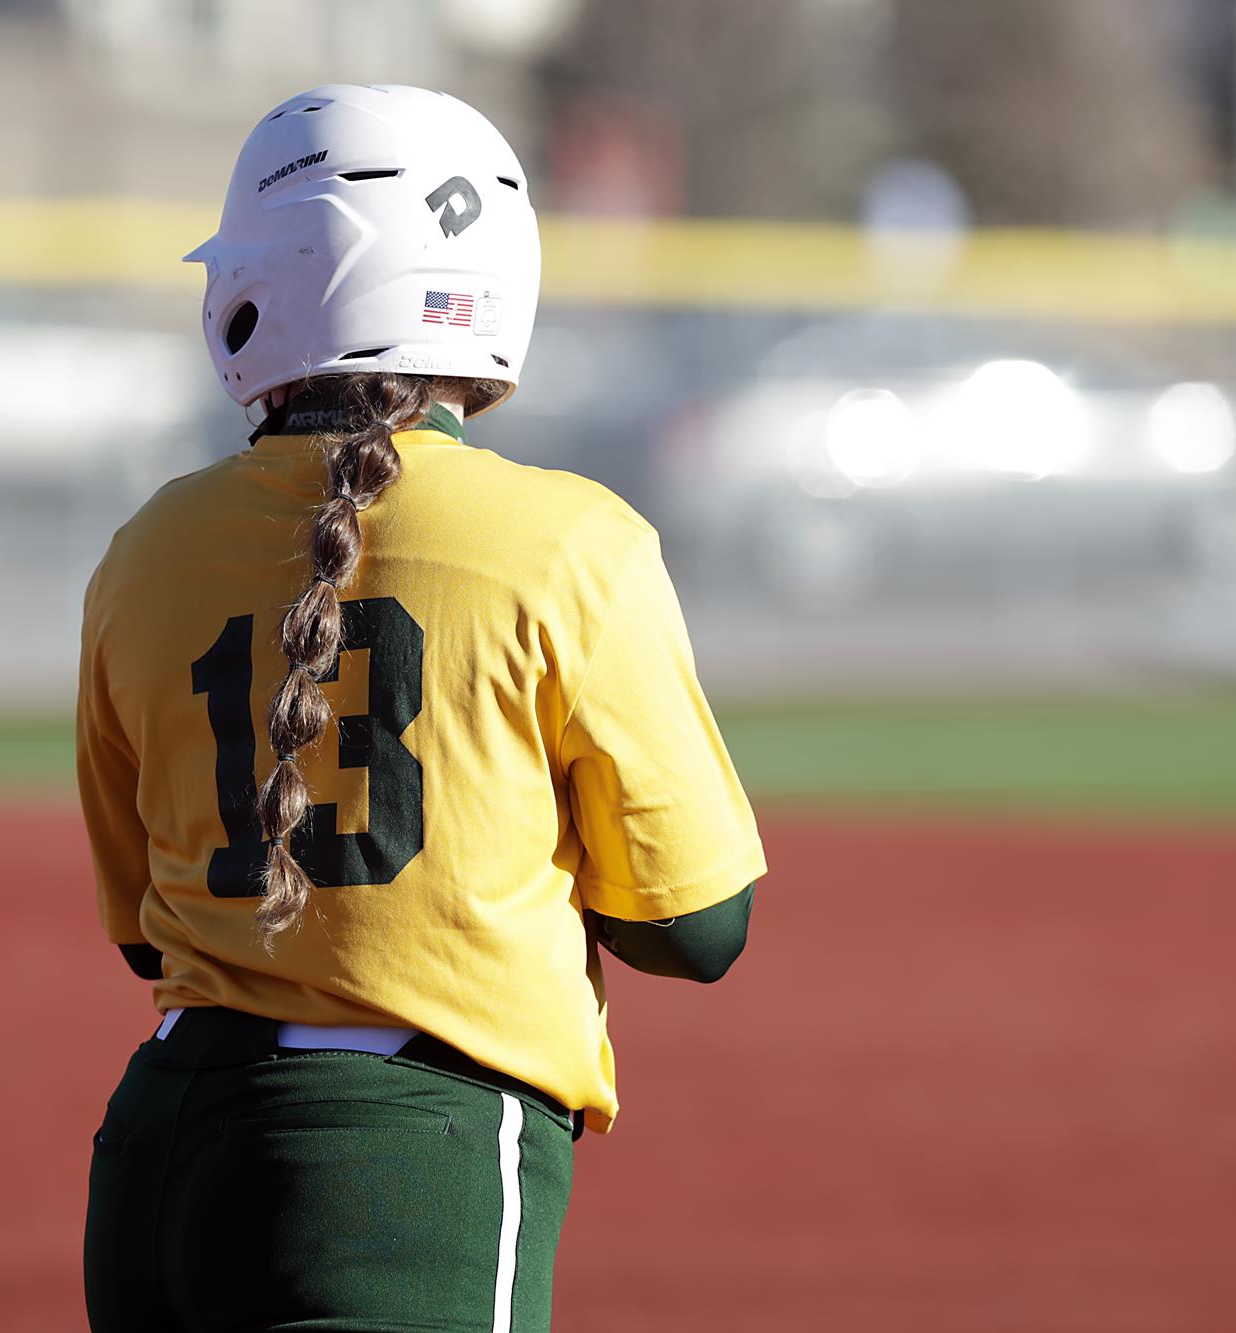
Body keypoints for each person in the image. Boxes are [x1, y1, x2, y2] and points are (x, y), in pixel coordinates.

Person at [77, 84, 765, 1333]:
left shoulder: (144, 549)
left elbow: (142, 928)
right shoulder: (569, 542)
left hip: (160, 1156)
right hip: (402, 1171)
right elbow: (698, 927)